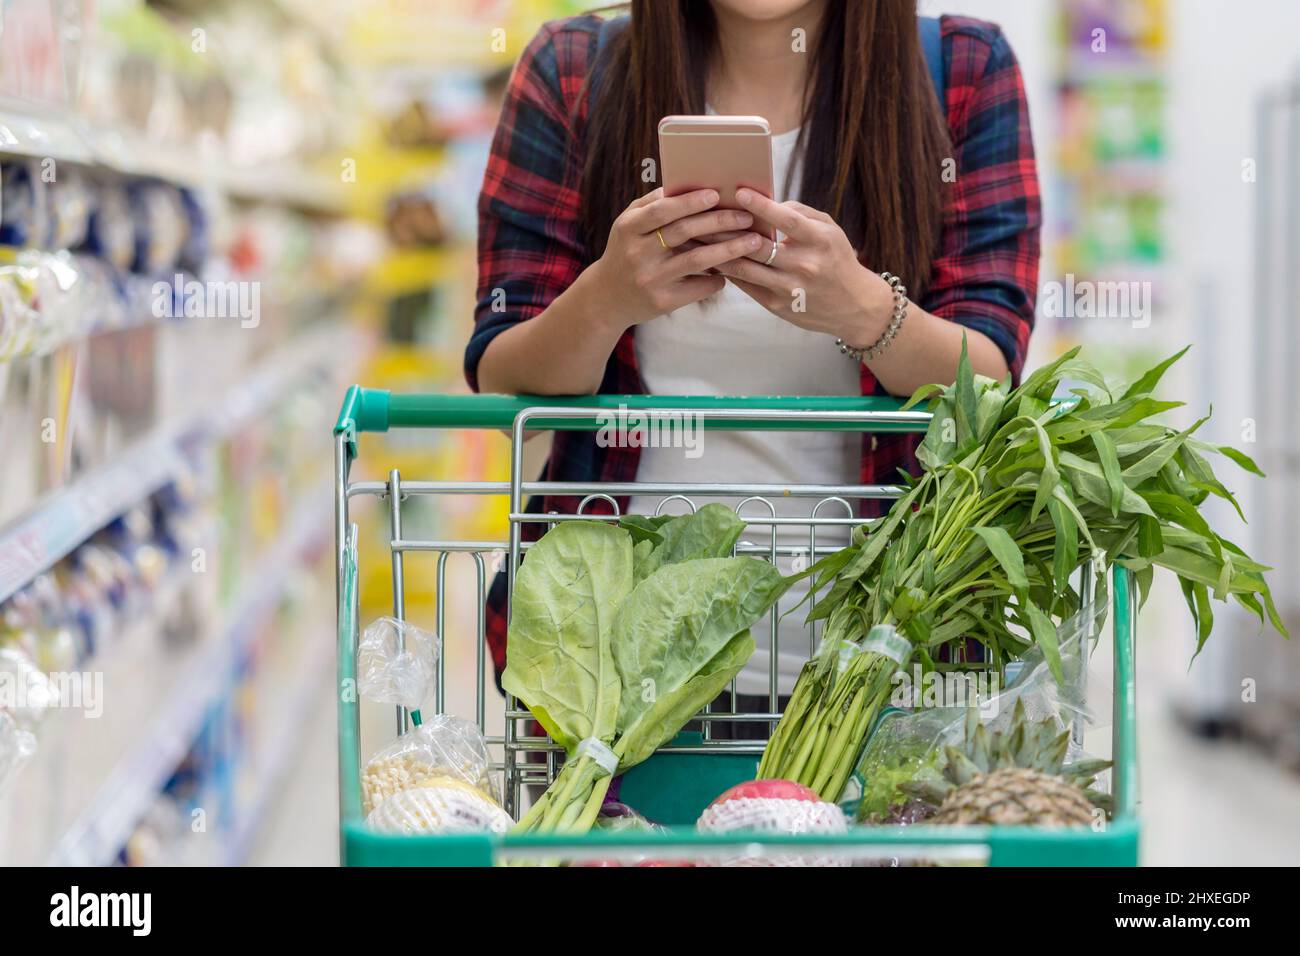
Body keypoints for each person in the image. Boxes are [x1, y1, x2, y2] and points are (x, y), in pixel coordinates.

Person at [465, 0, 1040, 727]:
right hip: (612, 674)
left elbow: (989, 371)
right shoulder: (572, 68)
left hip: (884, 669)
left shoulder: (963, 69)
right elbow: (502, 373)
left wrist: (861, 309)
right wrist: (606, 299)